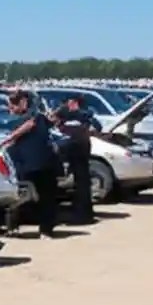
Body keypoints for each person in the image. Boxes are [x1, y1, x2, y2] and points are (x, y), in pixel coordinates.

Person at [0, 91, 59, 239]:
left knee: (44, 197)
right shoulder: (24, 118)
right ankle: (18, 226)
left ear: (22, 102)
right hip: (24, 163)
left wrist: (2, 143)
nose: (10, 110)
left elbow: (26, 128)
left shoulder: (33, 117)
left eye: (12, 107)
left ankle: (45, 229)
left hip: (40, 163)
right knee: (23, 197)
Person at [50, 94, 102, 225]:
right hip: (80, 146)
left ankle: (83, 213)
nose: (67, 104)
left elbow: (53, 120)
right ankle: (83, 212)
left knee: (82, 181)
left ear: (73, 102)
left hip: (76, 147)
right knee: (82, 181)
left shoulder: (76, 113)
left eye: (69, 101)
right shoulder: (85, 114)